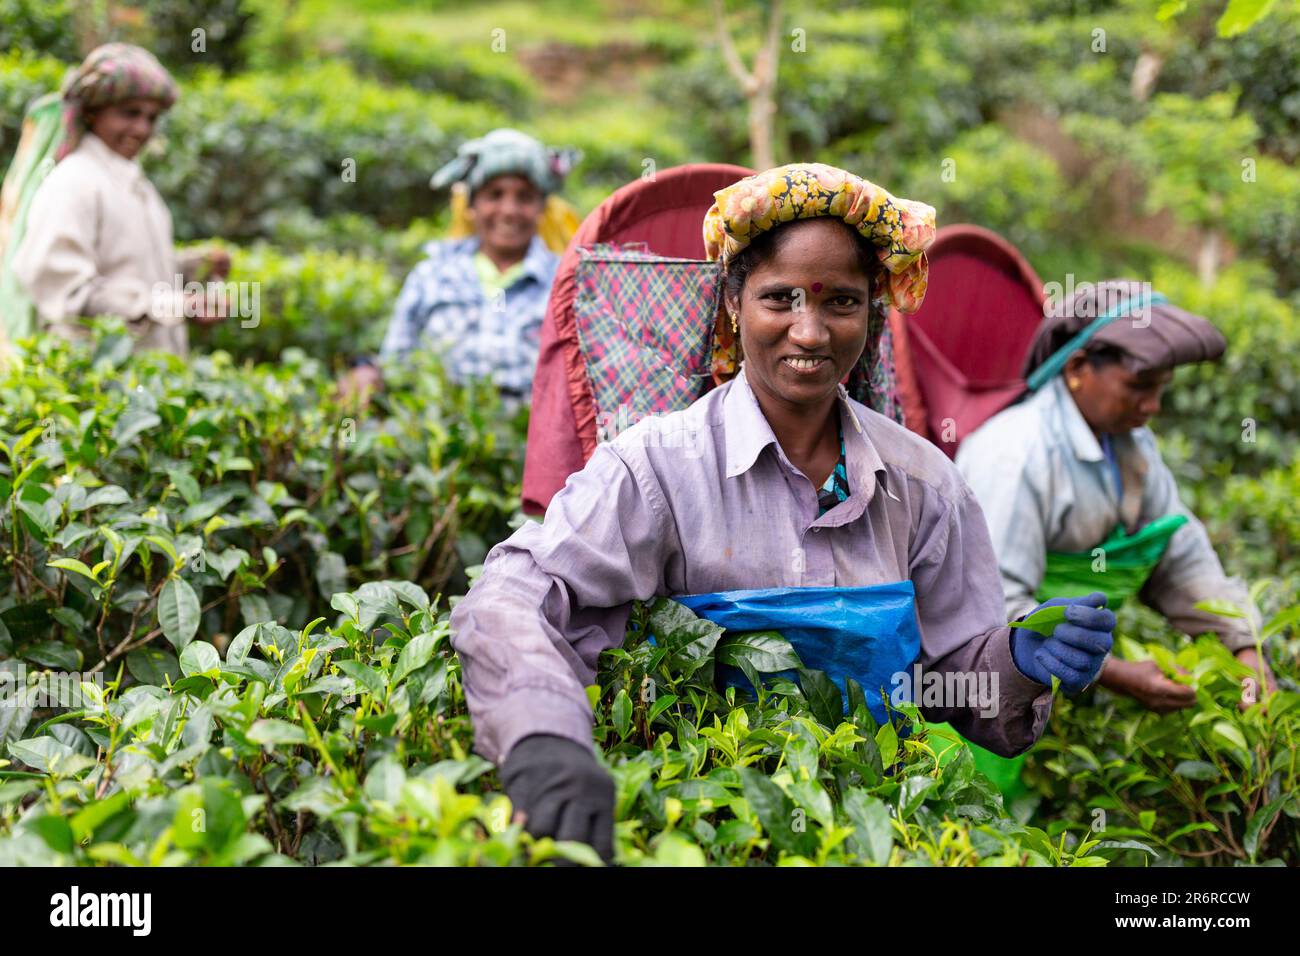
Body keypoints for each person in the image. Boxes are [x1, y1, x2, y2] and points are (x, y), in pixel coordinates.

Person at [449, 164, 1117, 860]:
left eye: (841, 304)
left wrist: (1015, 660)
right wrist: (544, 737)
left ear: (872, 312)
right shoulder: (657, 468)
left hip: (868, 834)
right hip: (692, 830)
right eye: (780, 298)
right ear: (734, 304)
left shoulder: (923, 484)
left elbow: (945, 677)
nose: (810, 332)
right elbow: (516, 596)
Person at [956, 279, 1276, 715]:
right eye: (1139, 386)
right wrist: (1117, 674)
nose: (1153, 406)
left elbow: (1173, 547)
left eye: (1161, 388)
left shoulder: (1131, 442)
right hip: (991, 694)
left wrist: (1243, 643)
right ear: (1077, 368)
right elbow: (998, 604)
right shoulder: (1015, 454)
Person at [10, 43, 230, 357]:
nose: (141, 129)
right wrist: (172, 305)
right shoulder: (73, 183)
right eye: (129, 113)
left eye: (152, 118)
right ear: (92, 113)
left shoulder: (135, 184)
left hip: (145, 380)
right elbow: (69, 292)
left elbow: (128, 270)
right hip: (100, 384)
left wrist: (196, 267)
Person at [340, 128, 578, 403]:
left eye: (524, 197)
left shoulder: (566, 281)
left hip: (532, 442)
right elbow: (396, 364)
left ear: (541, 208)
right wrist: (365, 370)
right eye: (495, 195)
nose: (509, 210)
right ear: (472, 204)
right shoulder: (432, 275)